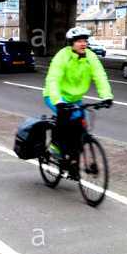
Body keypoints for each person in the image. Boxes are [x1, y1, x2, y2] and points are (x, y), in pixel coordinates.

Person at [43, 27, 113, 159]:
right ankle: (55, 146)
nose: (83, 44)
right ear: (71, 43)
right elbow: (53, 79)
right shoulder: (62, 56)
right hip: (55, 96)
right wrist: (58, 101)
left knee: (80, 129)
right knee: (67, 118)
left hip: (75, 98)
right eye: (79, 41)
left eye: (85, 41)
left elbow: (100, 76)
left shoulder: (90, 56)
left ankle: (73, 158)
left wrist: (106, 96)